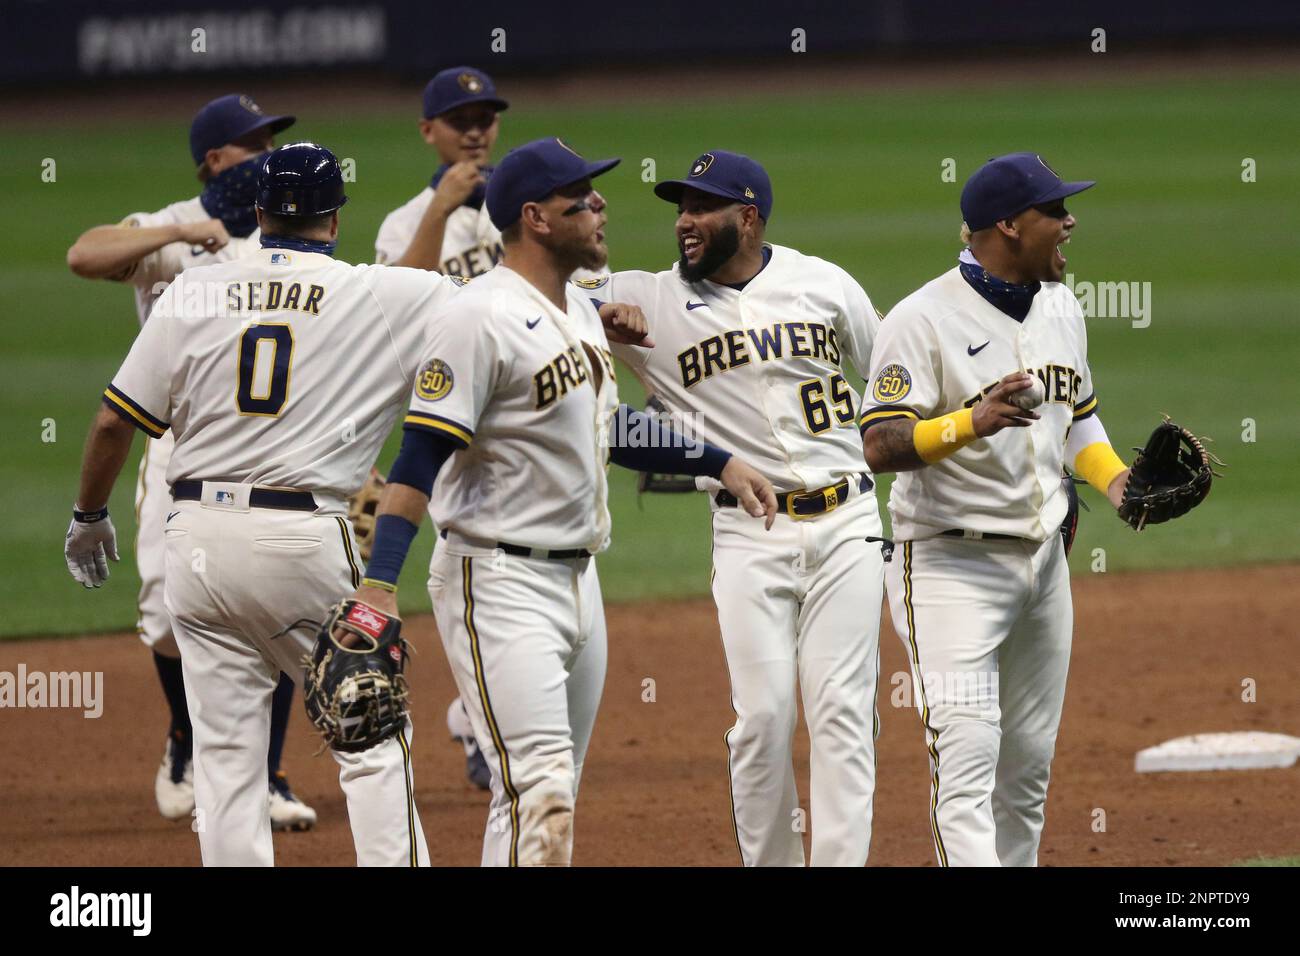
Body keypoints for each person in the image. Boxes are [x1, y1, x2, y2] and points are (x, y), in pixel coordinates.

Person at [344, 137, 778, 866]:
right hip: (498, 579)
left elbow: (609, 426)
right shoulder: (476, 317)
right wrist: (378, 586)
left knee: (545, 795)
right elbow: (418, 455)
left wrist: (721, 461)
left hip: (580, 584)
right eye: (583, 197)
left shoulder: (578, 309)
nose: (603, 204)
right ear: (537, 218)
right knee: (537, 790)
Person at [64, 142, 462, 866]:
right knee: (367, 731)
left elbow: (113, 420)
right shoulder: (379, 291)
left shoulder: (195, 289)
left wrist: (90, 515)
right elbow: (488, 309)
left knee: (224, 767)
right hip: (300, 540)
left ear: (256, 214)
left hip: (196, 547)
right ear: (334, 219)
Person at [581, 150, 887, 866]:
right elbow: (520, 294)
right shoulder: (647, 296)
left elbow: (894, 380)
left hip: (849, 525)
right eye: (680, 209)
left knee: (843, 715)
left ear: (747, 217)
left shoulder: (823, 283)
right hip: (750, 532)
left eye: (702, 207)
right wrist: (596, 308)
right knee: (763, 719)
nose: (685, 222)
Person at [861, 152, 1133, 866]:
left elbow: (1078, 419)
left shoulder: (1063, 305)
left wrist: (1117, 485)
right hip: (952, 569)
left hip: (1044, 570)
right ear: (1008, 226)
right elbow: (881, 443)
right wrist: (967, 422)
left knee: (1028, 769)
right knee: (969, 765)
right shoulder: (919, 320)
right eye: (1056, 211)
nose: (1071, 221)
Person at [64, 93, 316, 830]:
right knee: (167, 608)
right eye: (254, 144)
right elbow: (84, 254)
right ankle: (185, 741)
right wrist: (183, 230)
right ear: (214, 159)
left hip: (278, 442)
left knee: (276, 598)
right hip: (178, 441)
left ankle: (265, 773)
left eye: (274, 142)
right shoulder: (172, 232)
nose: (268, 155)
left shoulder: (288, 226)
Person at [374, 65, 508, 275]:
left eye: (484, 120)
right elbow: (398, 302)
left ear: (496, 123)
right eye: (459, 122)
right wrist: (438, 212)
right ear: (427, 130)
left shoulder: (526, 201)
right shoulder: (401, 224)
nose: (474, 133)